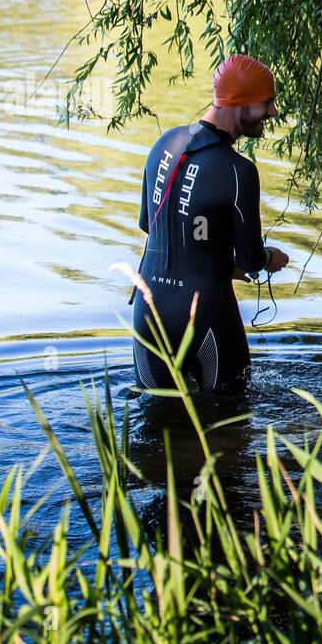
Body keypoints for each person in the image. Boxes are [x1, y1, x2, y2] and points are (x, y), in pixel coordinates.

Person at [131, 54, 289, 393]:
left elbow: (154, 227)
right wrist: (271, 258)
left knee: (153, 423)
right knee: (233, 418)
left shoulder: (164, 144)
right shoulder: (238, 171)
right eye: (267, 103)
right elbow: (250, 260)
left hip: (148, 310)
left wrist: (211, 261)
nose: (273, 113)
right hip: (206, 316)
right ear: (239, 103)